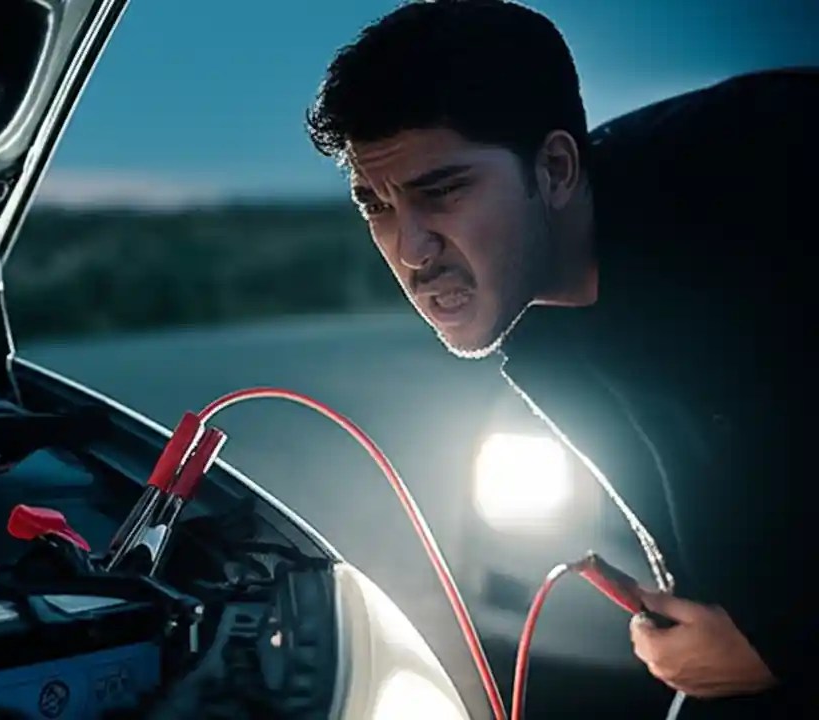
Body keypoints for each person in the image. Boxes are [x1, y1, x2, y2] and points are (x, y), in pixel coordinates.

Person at [305, 1, 814, 717]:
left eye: (442, 192)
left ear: (554, 168)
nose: (411, 249)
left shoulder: (768, 196)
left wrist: (787, 643)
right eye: (376, 205)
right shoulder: (539, 306)